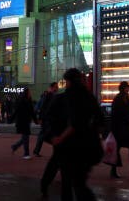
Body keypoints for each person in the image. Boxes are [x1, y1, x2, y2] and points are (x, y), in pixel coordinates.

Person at [49, 68, 103, 201]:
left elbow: (75, 123)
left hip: (74, 148)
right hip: (90, 146)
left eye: (66, 81)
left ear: (69, 81)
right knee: (79, 182)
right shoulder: (88, 95)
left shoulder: (71, 96)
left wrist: (60, 138)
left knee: (74, 183)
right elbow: (100, 118)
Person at [109, 81, 129, 179]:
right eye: (126, 88)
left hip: (127, 129)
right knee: (117, 150)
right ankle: (114, 170)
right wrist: (113, 130)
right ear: (122, 89)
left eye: (128, 88)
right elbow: (114, 116)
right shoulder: (118, 99)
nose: (128, 89)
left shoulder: (127, 99)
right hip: (119, 129)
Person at [33, 82, 59, 156]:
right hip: (47, 119)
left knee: (43, 134)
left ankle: (36, 150)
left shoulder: (51, 95)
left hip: (48, 118)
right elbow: (43, 106)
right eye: (56, 87)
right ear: (52, 87)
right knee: (47, 134)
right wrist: (40, 118)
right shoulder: (48, 95)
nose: (57, 88)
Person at [10, 87, 35, 158]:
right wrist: (11, 119)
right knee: (26, 137)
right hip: (22, 121)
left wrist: (35, 120)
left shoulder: (29, 100)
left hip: (27, 121)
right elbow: (16, 110)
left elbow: (32, 111)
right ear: (26, 93)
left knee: (25, 137)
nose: (30, 93)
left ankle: (15, 146)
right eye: (29, 92)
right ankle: (26, 154)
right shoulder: (21, 101)